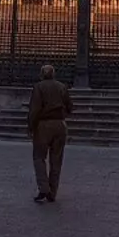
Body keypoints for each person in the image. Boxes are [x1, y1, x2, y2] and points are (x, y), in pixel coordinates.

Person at [28, 64, 72, 203]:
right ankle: (53, 192)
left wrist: (31, 126)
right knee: (56, 160)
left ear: (41, 74)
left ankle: (43, 187)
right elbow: (70, 106)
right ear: (54, 74)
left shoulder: (38, 87)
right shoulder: (62, 86)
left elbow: (34, 109)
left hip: (43, 125)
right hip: (60, 124)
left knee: (38, 157)